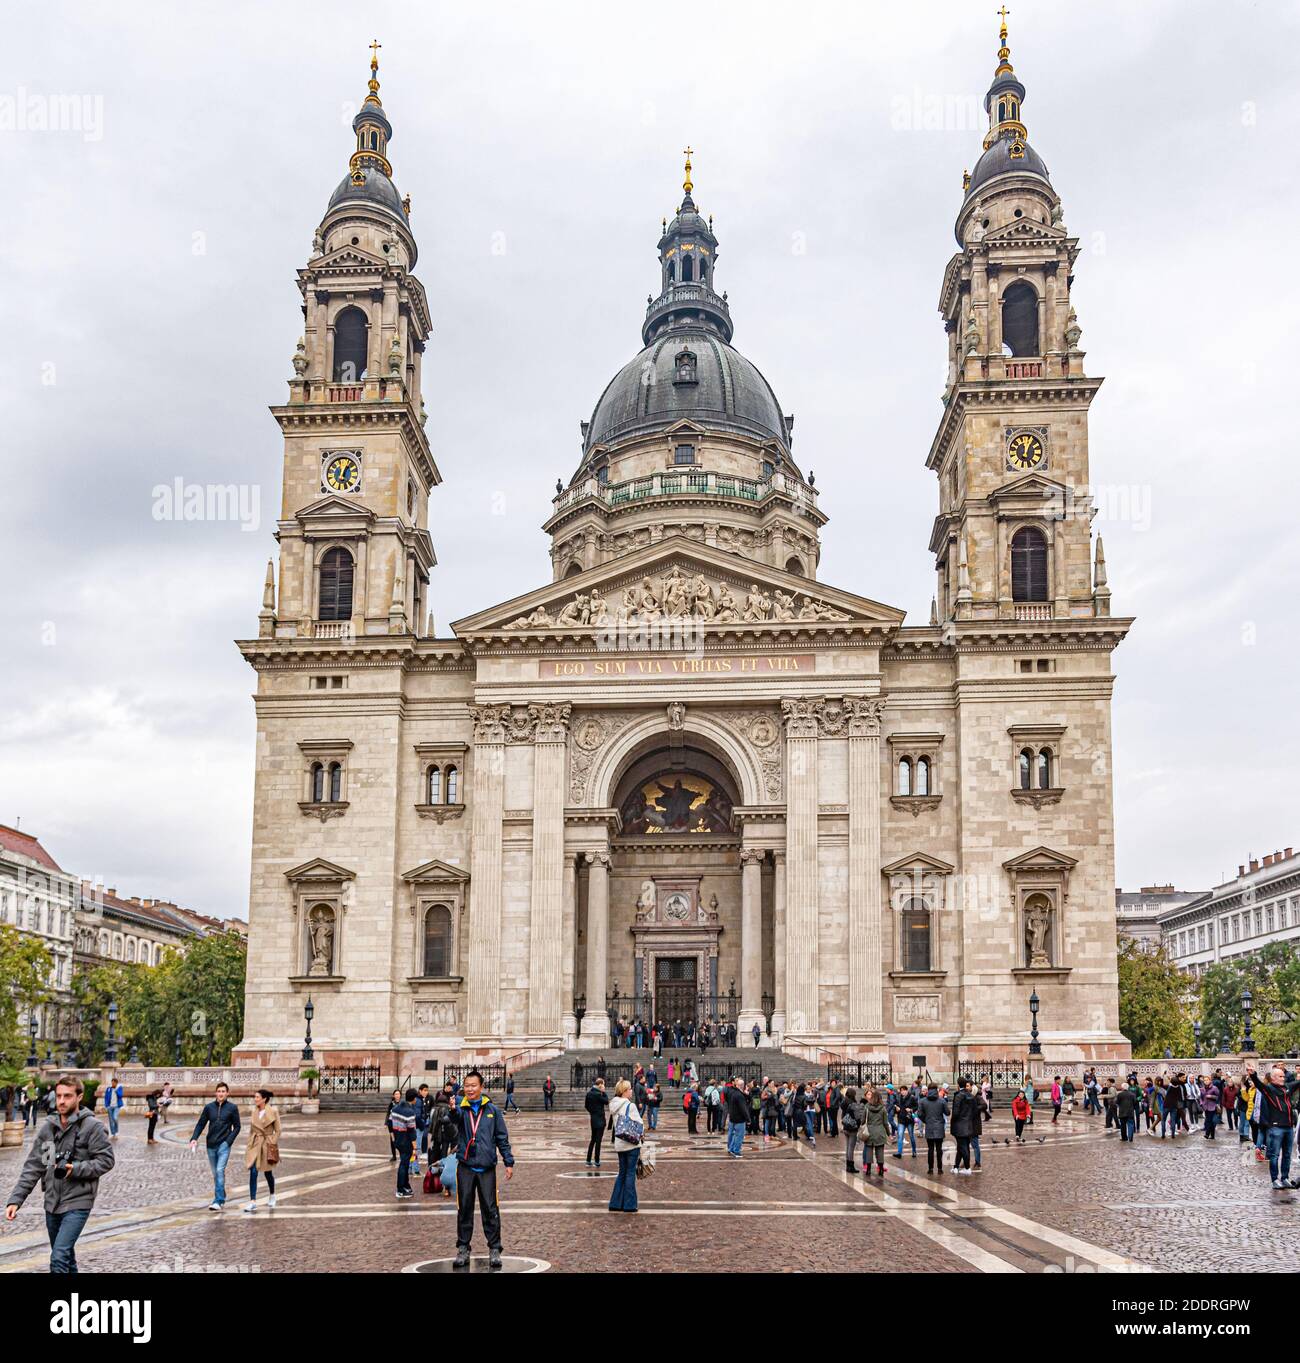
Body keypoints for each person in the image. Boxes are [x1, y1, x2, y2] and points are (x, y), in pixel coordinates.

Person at [5, 1074, 115, 1273]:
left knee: (59, 1257)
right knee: (66, 1257)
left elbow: (106, 1161)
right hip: (52, 1201)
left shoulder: (92, 1127)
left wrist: (76, 1169)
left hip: (78, 1201)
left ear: (79, 1097)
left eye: (68, 1096)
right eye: (59, 1096)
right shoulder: (49, 1127)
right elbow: (35, 1166)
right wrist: (15, 1200)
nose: (62, 1101)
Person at [452, 1069, 514, 1267]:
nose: (469, 1089)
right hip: (466, 1167)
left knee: (490, 1208)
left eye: (473, 1085)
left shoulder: (493, 1111)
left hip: (486, 1168)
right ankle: (463, 1247)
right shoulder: (461, 1109)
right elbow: (452, 1120)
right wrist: (452, 1110)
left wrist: (508, 1161)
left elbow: (501, 1138)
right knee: (464, 1208)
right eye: (467, 1086)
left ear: (481, 1087)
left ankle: (494, 1248)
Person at [1244, 1060, 1300, 1189]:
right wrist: (1253, 1075)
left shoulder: (1287, 1087)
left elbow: (1298, 1083)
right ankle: (1275, 1180)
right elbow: (1258, 1084)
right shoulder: (1269, 1089)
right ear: (1273, 1078)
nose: (1283, 1078)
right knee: (1274, 1155)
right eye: (1280, 1076)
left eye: (1283, 1076)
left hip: (1288, 1127)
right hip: (1276, 1127)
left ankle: (1285, 1178)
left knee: (1287, 1155)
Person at [189, 1081, 242, 1211]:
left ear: (227, 1093)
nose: (221, 1094)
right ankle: (222, 1195)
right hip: (210, 1145)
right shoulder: (209, 1108)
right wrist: (194, 1138)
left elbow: (237, 1127)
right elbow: (201, 1124)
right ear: (216, 1093)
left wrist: (228, 1141)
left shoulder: (232, 1108)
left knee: (219, 1171)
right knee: (215, 1173)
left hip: (224, 1145)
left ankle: (218, 1200)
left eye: (223, 1091)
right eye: (219, 1091)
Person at [242, 1088, 281, 1212]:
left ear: (264, 1099)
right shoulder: (254, 1111)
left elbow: (278, 1130)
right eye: (255, 1097)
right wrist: (249, 1145)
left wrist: (272, 1142)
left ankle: (272, 1195)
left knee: (268, 1173)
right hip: (255, 1144)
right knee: (253, 1171)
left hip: (267, 1145)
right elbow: (251, 1130)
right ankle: (253, 1201)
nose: (255, 1099)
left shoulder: (273, 1111)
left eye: (257, 1097)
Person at [607, 1079, 643, 1212]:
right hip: (631, 1144)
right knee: (630, 1174)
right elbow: (639, 1125)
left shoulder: (614, 1105)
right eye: (629, 1089)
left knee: (622, 1173)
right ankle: (629, 1204)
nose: (631, 1091)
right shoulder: (630, 1105)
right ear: (624, 1091)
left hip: (620, 1144)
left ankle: (615, 1203)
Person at [391, 1088, 418, 1198]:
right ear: (414, 1098)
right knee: (404, 1164)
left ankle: (406, 1185)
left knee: (405, 1163)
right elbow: (412, 1131)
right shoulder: (409, 1112)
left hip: (397, 1139)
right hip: (406, 1141)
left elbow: (389, 1122)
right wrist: (415, 1147)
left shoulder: (395, 1108)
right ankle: (400, 1189)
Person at [918, 1081, 949, 1174]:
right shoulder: (941, 1100)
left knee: (930, 1149)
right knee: (939, 1149)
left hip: (929, 1127)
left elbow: (919, 1114)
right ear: (936, 1089)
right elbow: (947, 1112)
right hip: (939, 1126)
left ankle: (930, 1168)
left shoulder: (923, 1101)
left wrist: (926, 1120)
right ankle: (940, 1168)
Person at [950, 1077, 978, 1175]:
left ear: (958, 1085)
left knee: (963, 1147)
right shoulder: (970, 1095)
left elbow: (955, 1112)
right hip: (969, 1125)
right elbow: (975, 1111)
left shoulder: (959, 1096)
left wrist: (952, 1121)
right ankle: (956, 1167)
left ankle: (967, 1167)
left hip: (960, 1125)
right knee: (962, 1146)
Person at [862, 1085, 890, 1177]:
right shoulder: (883, 1108)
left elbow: (863, 1120)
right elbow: (886, 1123)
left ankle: (869, 1170)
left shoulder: (866, 1107)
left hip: (869, 1132)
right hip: (880, 1132)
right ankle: (881, 1169)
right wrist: (888, 1133)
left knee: (869, 1150)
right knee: (880, 1151)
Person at [841, 1085, 865, 1173]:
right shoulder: (852, 1104)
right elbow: (857, 1117)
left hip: (845, 1127)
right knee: (851, 1148)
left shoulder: (844, 1102)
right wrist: (858, 1124)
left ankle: (848, 1165)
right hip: (852, 1128)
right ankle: (850, 1166)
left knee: (847, 1147)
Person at [724, 1076, 749, 1159]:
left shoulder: (732, 1092)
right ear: (742, 1086)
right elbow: (743, 1108)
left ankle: (731, 1148)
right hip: (739, 1119)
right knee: (739, 1136)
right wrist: (748, 1118)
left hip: (732, 1117)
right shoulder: (739, 1095)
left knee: (734, 1135)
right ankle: (736, 1151)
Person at [892, 1083, 917, 1158]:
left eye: (904, 1090)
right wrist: (896, 1109)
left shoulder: (912, 1098)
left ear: (907, 1091)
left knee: (911, 1136)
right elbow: (895, 1106)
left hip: (909, 1120)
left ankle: (914, 1151)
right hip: (901, 1119)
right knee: (900, 1136)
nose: (902, 1092)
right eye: (901, 1090)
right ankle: (899, 1153)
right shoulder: (898, 1098)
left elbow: (916, 1106)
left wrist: (911, 1109)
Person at [101, 1074, 123, 1140]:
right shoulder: (108, 1089)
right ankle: (113, 1134)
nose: (112, 1084)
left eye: (113, 1083)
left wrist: (116, 1090)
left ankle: (116, 1132)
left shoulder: (119, 1088)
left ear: (116, 1083)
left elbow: (120, 1095)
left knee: (115, 1118)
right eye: (112, 1082)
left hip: (117, 1106)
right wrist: (106, 1106)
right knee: (111, 1121)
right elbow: (106, 1097)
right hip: (110, 1106)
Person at [384, 1087, 402, 1162]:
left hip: (400, 1124)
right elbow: (388, 1113)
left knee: (400, 1140)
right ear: (393, 1095)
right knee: (392, 1140)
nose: (397, 1095)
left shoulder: (402, 1103)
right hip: (391, 1124)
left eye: (398, 1094)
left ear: (400, 1095)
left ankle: (401, 1155)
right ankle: (394, 1155)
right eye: (396, 1094)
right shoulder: (391, 1103)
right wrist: (386, 1122)